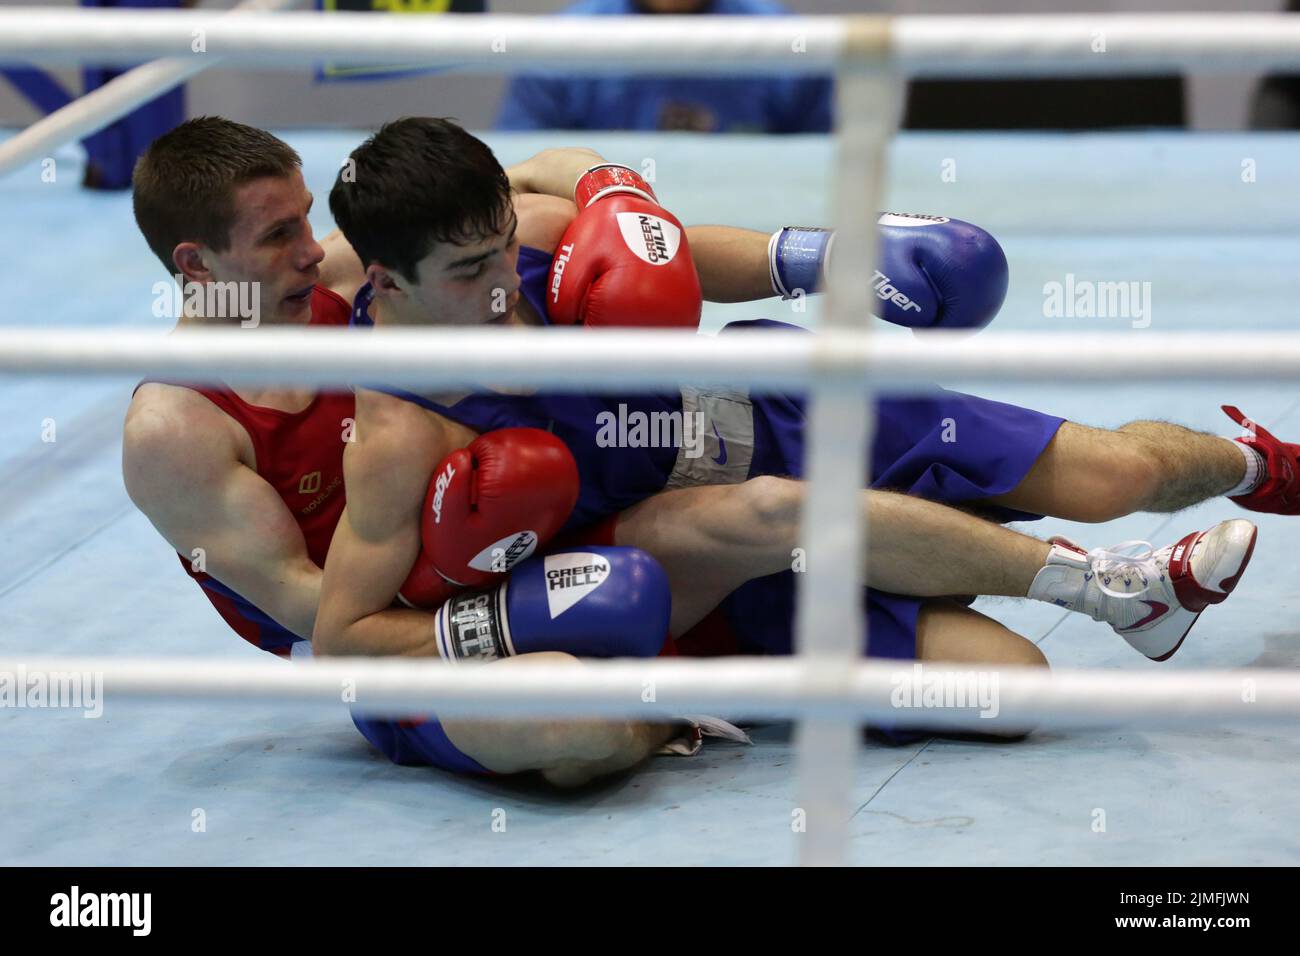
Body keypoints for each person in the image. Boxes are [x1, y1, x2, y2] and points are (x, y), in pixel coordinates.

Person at [310, 117, 1284, 776]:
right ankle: (1048, 578)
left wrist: (814, 255)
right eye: (469, 271)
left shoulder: (526, 234)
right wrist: (523, 618)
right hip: (704, 555)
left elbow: (608, 206)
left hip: (764, 409)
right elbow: (342, 636)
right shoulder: (398, 432)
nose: (503, 285)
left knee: (1124, 471)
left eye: (501, 246)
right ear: (385, 281)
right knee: (1004, 690)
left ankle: (1260, 470)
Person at [495, 0, 831, 134]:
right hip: (601, 253)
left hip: (757, 259)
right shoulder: (558, 47)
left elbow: (826, 175)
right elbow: (527, 181)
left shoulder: (790, 45)